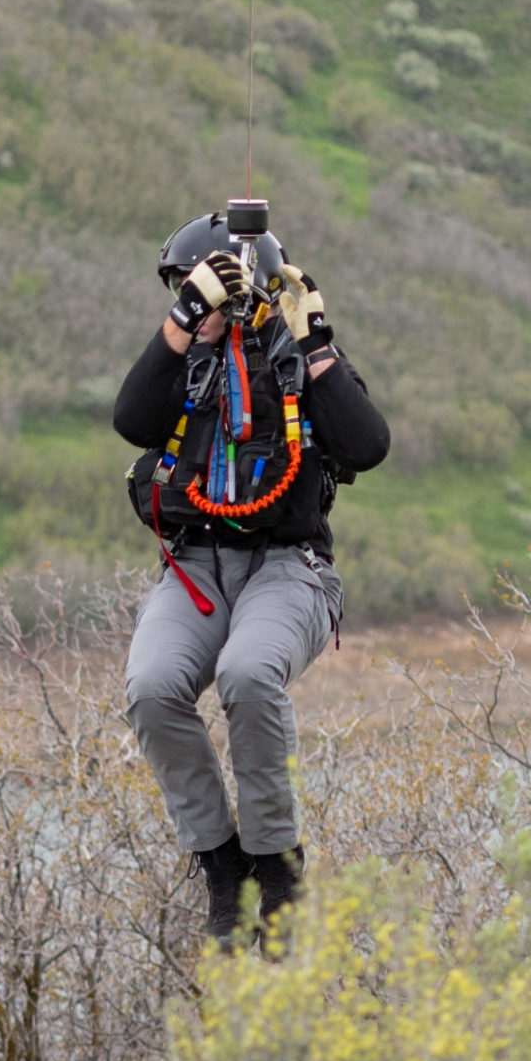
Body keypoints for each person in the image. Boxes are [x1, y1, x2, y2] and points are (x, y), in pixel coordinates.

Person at [114, 211, 390, 944]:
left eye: (203, 289)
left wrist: (315, 342)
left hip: (287, 568)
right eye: (184, 289)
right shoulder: (183, 365)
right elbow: (131, 420)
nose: (196, 302)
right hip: (195, 568)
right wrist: (182, 323)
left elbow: (366, 445)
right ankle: (219, 860)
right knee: (150, 686)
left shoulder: (298, 362)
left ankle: (275, 862)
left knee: (245, 673)